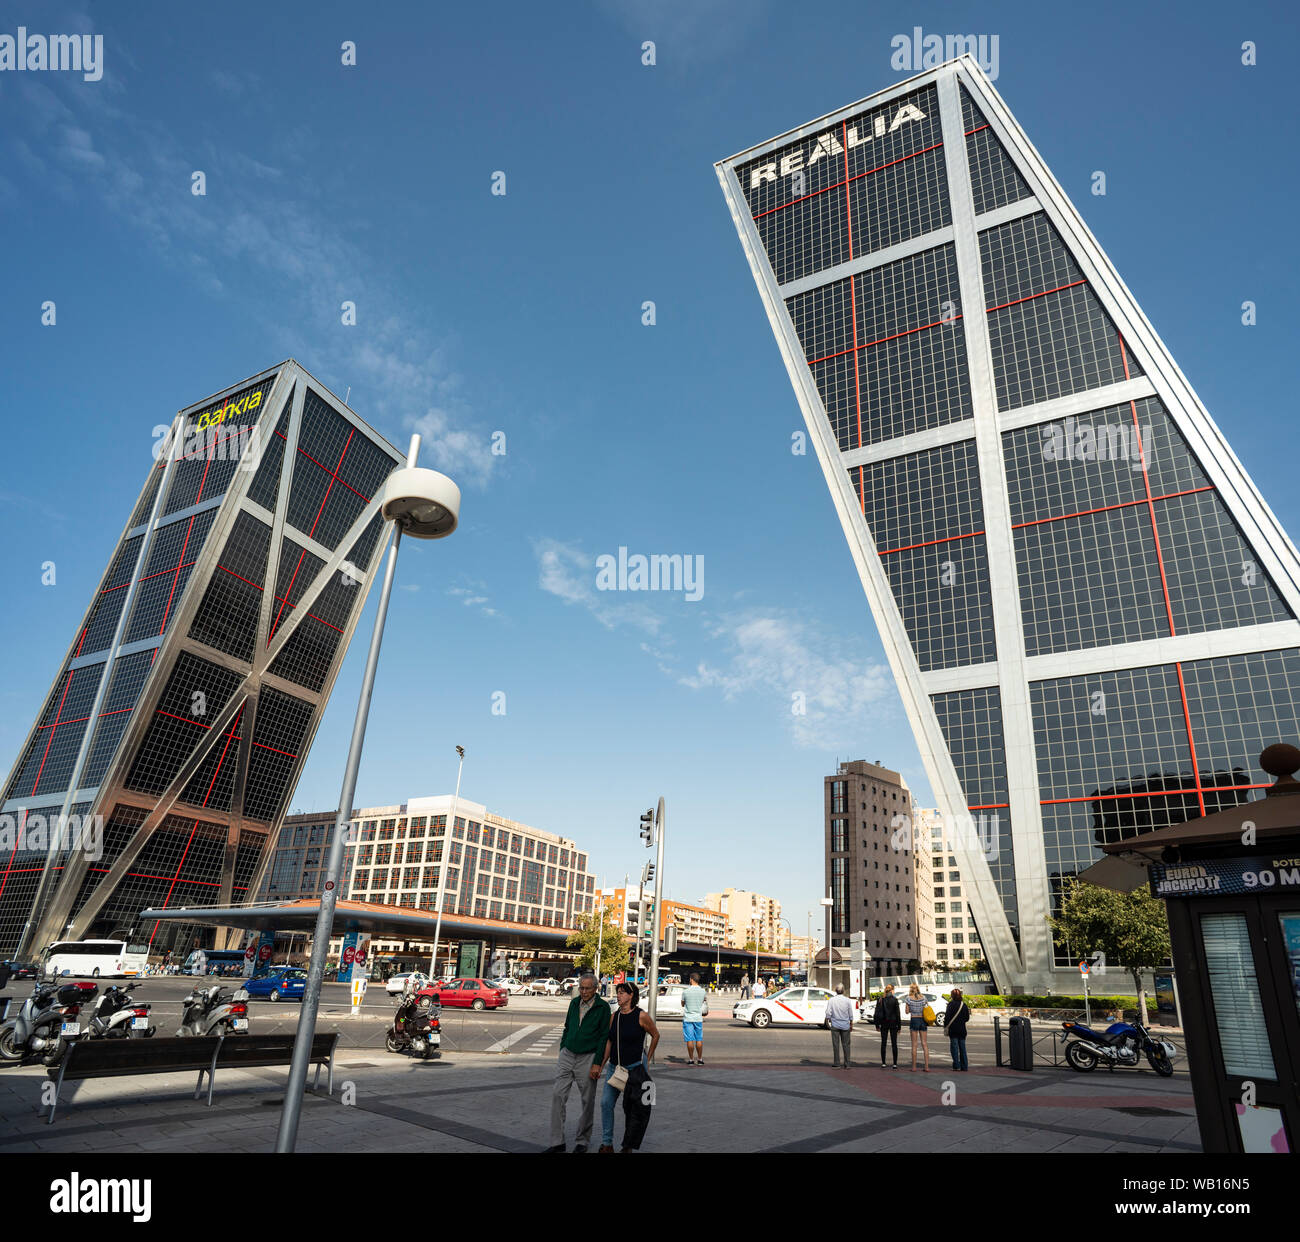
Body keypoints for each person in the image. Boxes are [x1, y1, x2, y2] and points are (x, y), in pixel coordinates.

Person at [544, 973, 610, 1153]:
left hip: (588, 1057)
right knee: (558, 1095)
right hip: (567, 1054)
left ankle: (582, 1141)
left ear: (595, 989)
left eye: (588, 988)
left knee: (587, 1100)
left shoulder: (603, 1007)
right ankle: (557, 1142)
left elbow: (604, 1036)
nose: (584, 991)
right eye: (581, 988)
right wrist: (562, 1048)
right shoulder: (574, 1003)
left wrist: (597, 1063)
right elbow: (567, 1027)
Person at [595, 981, 660, 1152]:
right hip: (615, 1069)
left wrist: (648, 1058)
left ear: (631, 996)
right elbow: (610, 1041)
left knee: (633, 1109)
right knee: (605, 1103)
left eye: (622, 993)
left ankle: (628, 1145)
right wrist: (601, 1065)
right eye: (618, 992)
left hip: (635, 1069)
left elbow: (655, 1035)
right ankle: (607, 1144)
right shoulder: (615, 1016)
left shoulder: (641, 1016)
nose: (618, 995)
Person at [681, 972, 708, 1065]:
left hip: (688, 1018)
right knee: (699, 1039)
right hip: (698, 1018)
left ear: (691, 979)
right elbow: (703, 1001)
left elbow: (682, 1004)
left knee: (689, 1040)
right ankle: (700, 1059)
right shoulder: (703, 991)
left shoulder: (686, 991)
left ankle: (691, 1059)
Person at [826, 983, 855, 1068]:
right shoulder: (847, 1000)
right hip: (845, 1025)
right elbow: (850, 1013)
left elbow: (828, 1012)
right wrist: (851, 1023)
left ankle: (837, 1063)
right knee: (846, 1045)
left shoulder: (831, 1000)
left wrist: (829, 1019)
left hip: (835, 1025)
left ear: (836, 990)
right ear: (843, 991)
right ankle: (847, 1063)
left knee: (836, 1045)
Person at [873, 984, 901, 1068]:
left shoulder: (881, 999)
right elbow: (898, 1014)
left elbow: (876, 1013)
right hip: (893, 1023)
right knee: (894, 1043)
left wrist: (877, 1025)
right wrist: (899, 1026)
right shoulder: (895, 1000)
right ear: (892, 990)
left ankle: (883, 1063)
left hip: (883, 1023)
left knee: (883, 1043)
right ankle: (895, 1063)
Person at [904, 983, 931, 1072]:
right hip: (923, 1020)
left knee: (914, 1045)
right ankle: (926, 1067)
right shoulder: (924, 998)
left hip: (914, 1020)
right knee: (924, 1044)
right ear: (918, 989)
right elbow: (927, 1008)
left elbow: (907, 1011)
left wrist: (912, 1008)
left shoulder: (908, 998)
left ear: (910, 989)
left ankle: (914, 1067)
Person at [946, 987, 971, 1072]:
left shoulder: (950, 1005)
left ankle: (956, 1065)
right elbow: (967, 1018)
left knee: (954, 1048)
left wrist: (946, 1026)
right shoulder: (964, 1005)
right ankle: (964, 1066)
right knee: (962, 1048)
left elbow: (947, 1017)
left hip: (953, 1030)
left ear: (952, 996)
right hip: (962, 1030)